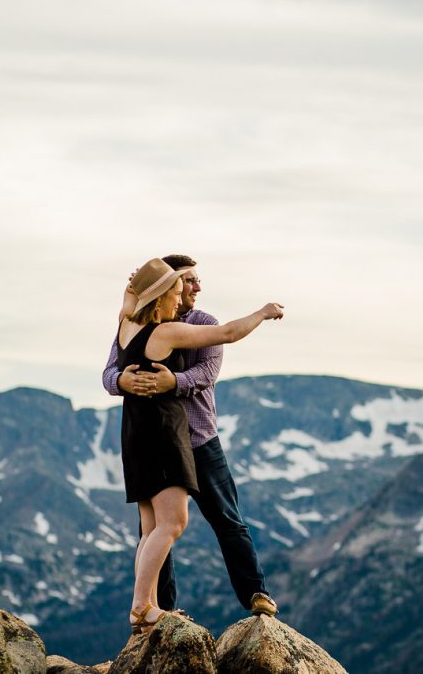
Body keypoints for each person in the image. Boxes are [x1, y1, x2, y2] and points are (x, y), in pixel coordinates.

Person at [103, 254, 280, 622]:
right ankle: (149, 607)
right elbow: (229, 334)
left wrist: (174, 381)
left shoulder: (129, 322)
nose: (192, 288)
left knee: (170, 527)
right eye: (184, 283)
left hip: (180, 436)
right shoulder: (163, 329)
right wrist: (262, 312)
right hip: (166, 436)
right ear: (167, 291)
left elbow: (206, 373)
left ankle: (250, 593)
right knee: (170, 525)